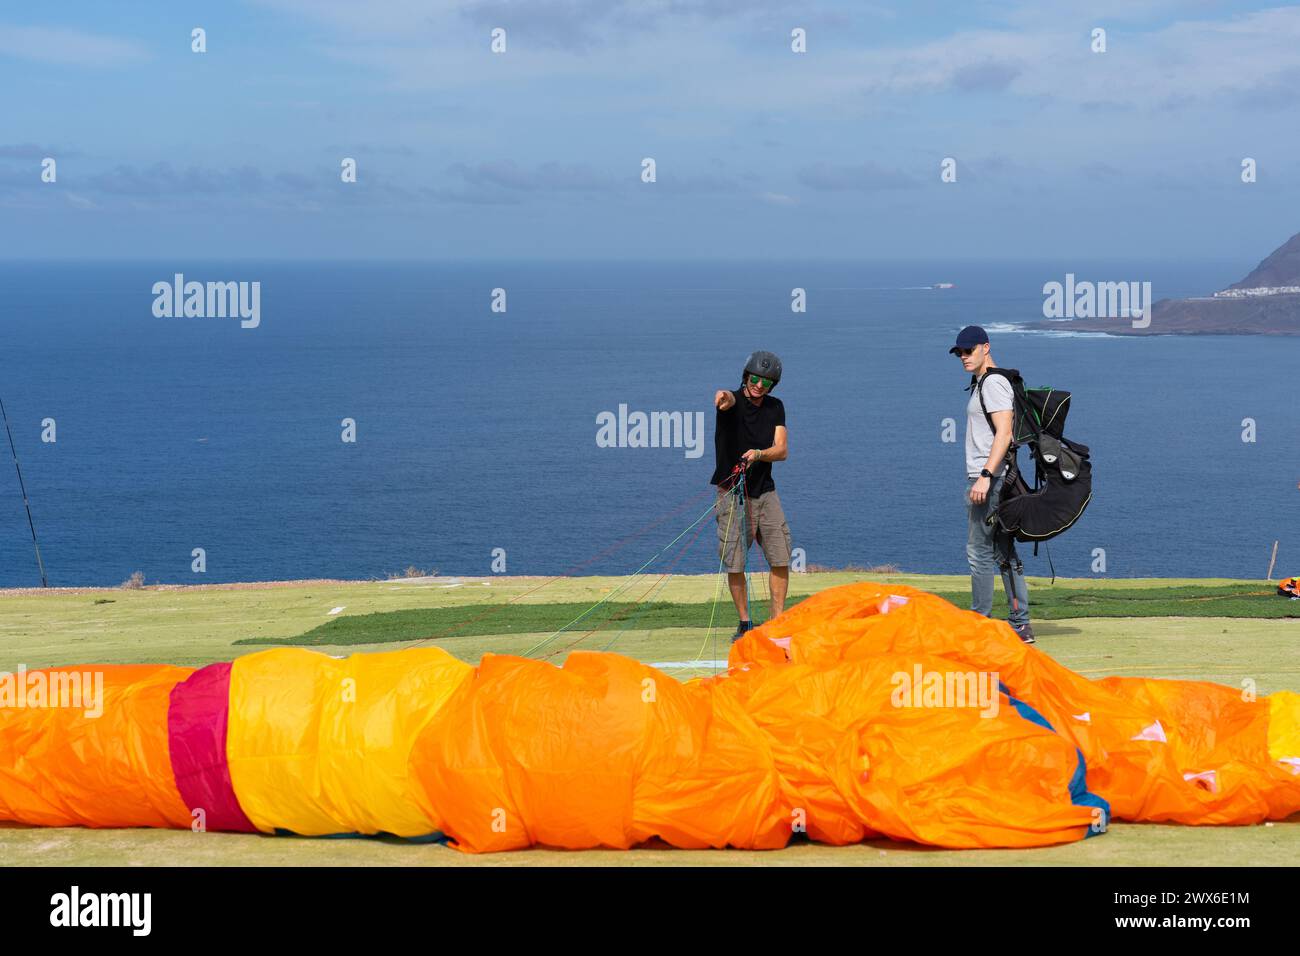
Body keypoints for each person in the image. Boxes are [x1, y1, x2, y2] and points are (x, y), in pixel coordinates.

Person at [950, 326, 1035, 644]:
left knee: (978, 551)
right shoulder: (982, 382)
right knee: (1002, 549)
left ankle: (980, 622)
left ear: (986, 347)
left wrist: (985, 476)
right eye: (959, 352)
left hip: (989, 478)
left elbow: (1004, 432)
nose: (963, 356)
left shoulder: (994, 383)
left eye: (969, 350)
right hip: (996, 476)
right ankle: (1020, 623)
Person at [711, 351, 791, 640]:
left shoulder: (775, 408)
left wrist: (759, 454)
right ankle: (745, 623)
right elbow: (727, 400)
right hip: (732, 494)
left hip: (765, 493)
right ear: (746, 376)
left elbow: (781, 450)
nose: (759, 385)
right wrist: (723, 396)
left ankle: (777, 623)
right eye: (755, 379)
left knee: (780, 557)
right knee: (735, 561)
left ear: (773, 386)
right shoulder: (731, 403)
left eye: (766, 382)